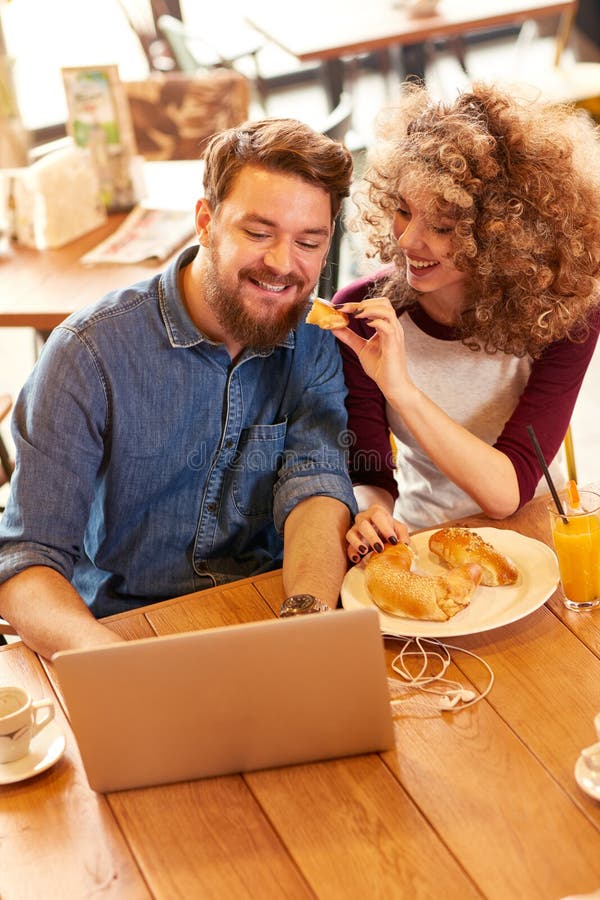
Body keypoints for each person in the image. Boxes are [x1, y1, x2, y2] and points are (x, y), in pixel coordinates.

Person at [0, 118, 357, 659]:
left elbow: (317, 487)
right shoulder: (86, 355)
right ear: (205, 222)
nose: (284, 264)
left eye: (309, 242)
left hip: (266, 608)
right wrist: (117, 664)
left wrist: (306, 622)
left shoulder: (312, 338)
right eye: (258, 233)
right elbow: (28, 560)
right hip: (120, 631)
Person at [331, 81, 600, 560]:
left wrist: (402, 390)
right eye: (403, 210)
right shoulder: (362, 314)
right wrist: (370, 511)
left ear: (503, 235)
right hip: (423, 542)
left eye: (442, 227)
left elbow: (507, 493)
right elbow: (371, 471)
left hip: (538, 533)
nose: (410, 241)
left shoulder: (564, 311)